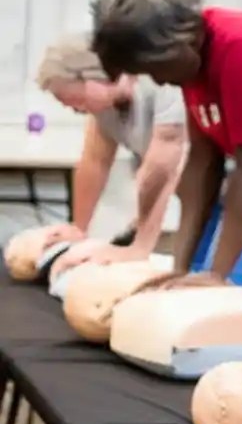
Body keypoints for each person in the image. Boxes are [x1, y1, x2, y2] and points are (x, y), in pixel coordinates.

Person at [88, 0, 242, 326]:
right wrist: (179, 269)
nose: (157, 82)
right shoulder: (193, 67)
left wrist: (216, 274)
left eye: (153, 68)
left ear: (176, 41)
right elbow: (202, 165)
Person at [35, 32, 186, 266]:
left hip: (239, 184)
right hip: (196, 194)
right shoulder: (102, 109)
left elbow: (163, 169)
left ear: (96, 76)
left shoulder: (162, 84)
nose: (70, 106)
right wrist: (78, 228)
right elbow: (95, 162)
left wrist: (141, 245)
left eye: (74, 98)